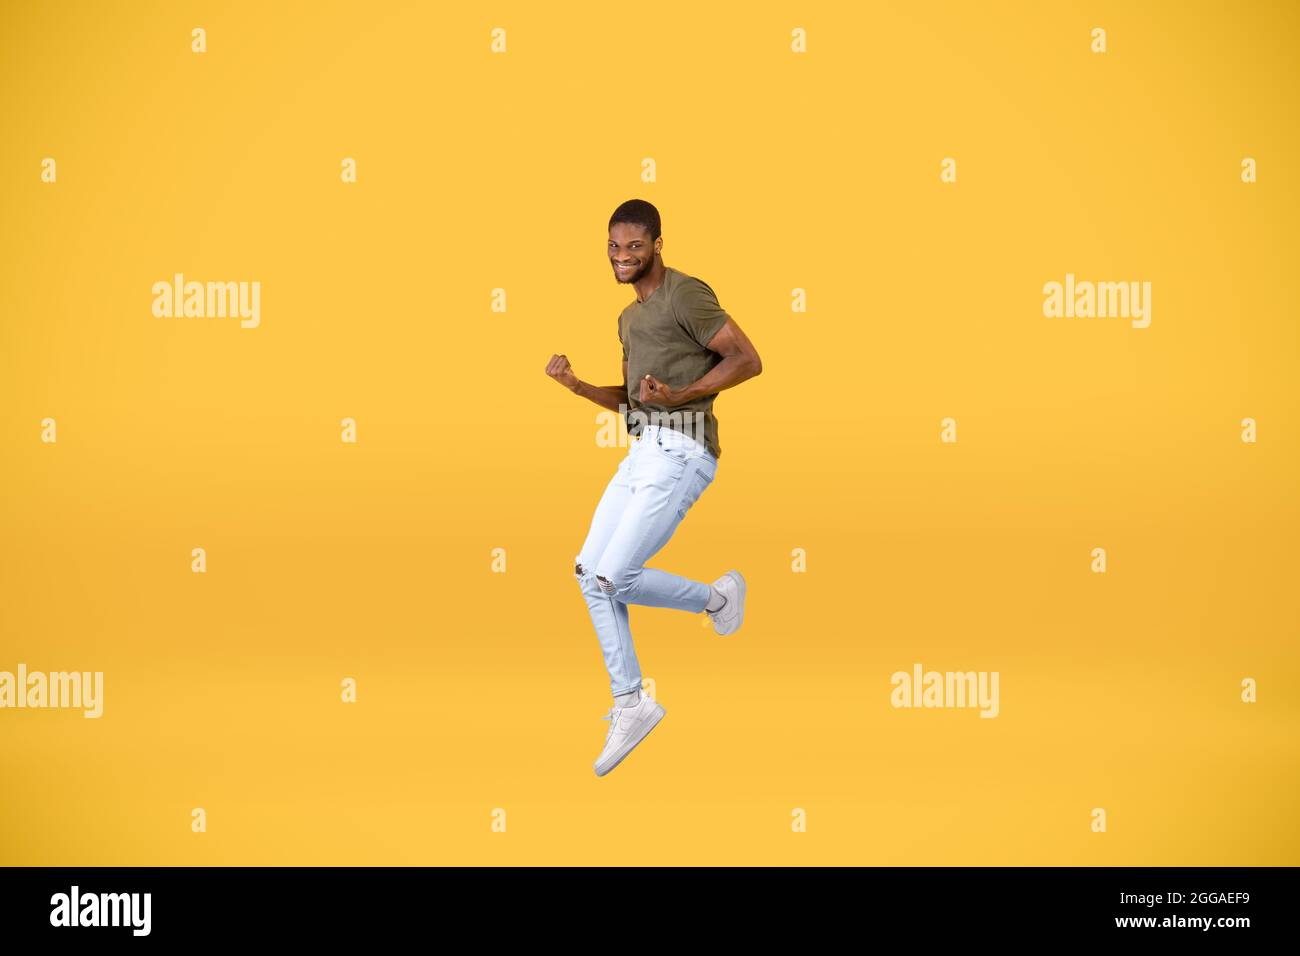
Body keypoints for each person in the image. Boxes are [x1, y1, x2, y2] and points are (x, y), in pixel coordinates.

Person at [544, 199, 764, 776]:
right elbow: (634, 397)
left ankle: (717, 598)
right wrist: (576, 387)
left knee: (616, 575)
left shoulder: (685, 294)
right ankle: (631, 702)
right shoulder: (628, 318)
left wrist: (682, 397)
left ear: (658, 245)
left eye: (634, 247)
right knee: (589, 573)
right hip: (642, 450)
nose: (622, 257)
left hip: (685, 448)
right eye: (614, 248)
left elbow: (747, 359)